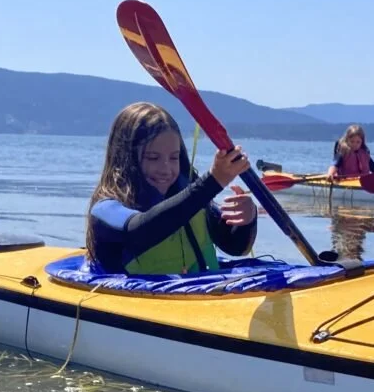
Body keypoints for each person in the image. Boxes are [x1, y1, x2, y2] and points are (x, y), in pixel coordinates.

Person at [86, 102, 257, 275]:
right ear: (125, 158)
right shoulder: (105, 210)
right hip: (139, 299)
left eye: (174, 158)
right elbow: (139, 232)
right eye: (153, 158)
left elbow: (235, 246)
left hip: (203, 297)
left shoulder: (189, 197)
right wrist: (213, 181)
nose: (166, 169)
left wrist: (247, 219)